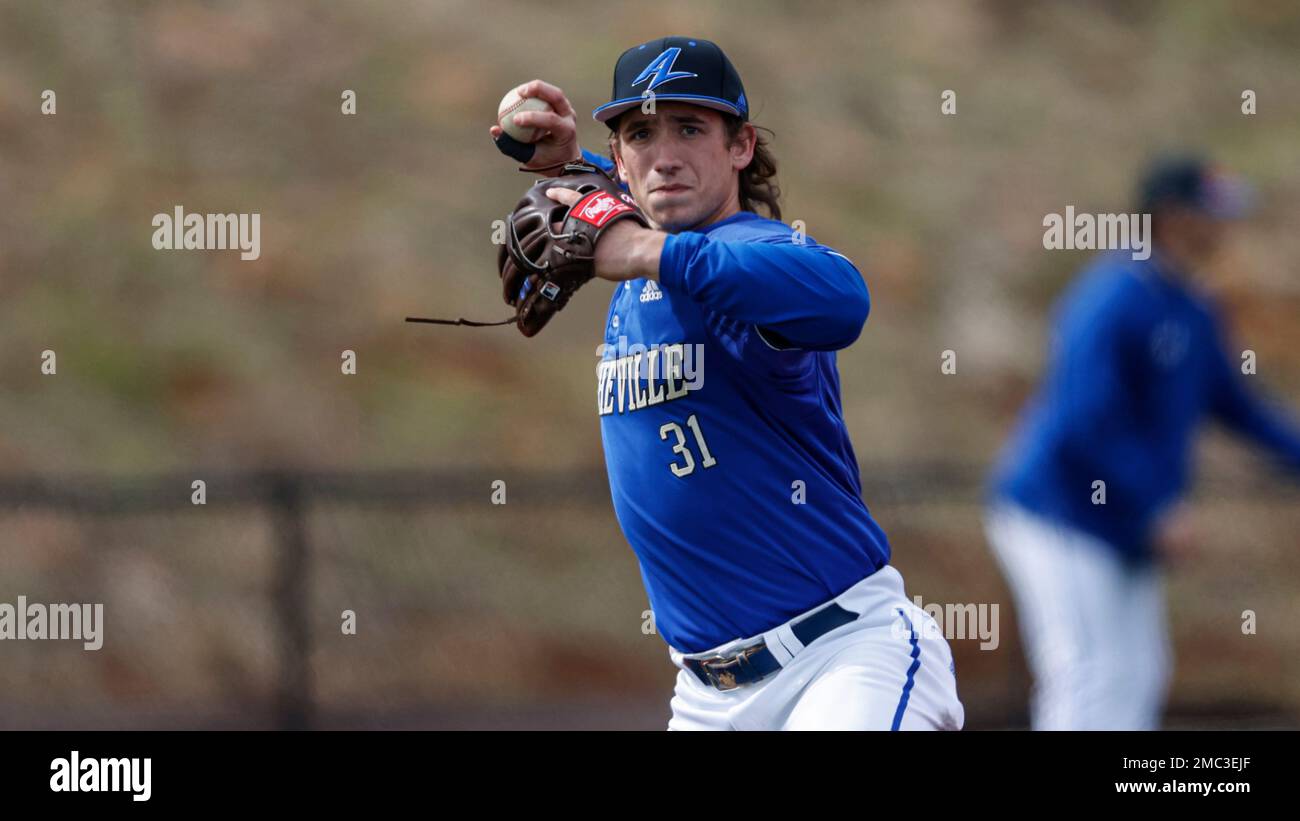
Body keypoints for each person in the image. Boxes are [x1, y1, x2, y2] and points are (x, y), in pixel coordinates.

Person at [491, 36, 963, 730]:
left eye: (690, 128)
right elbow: (621, 211)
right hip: (707, 696)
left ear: (740, 146)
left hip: (841, 658)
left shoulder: (750, 253)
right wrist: (562, 162)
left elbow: (844, 297)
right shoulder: (646, 244)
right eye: (640, 133)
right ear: (620, 158)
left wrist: (642, 246)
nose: (666, 154)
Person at [985, 155, 1300, 730]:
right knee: (1086, 672)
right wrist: (1152, 505)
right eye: (1212, 213)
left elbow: (1238, 406)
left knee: (1137, 671)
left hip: (1122, 526)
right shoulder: (1112, 297)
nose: (1224, 227)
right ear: (1172, 216)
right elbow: (1083, 423)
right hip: (1060, 516)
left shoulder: (1191, 306)